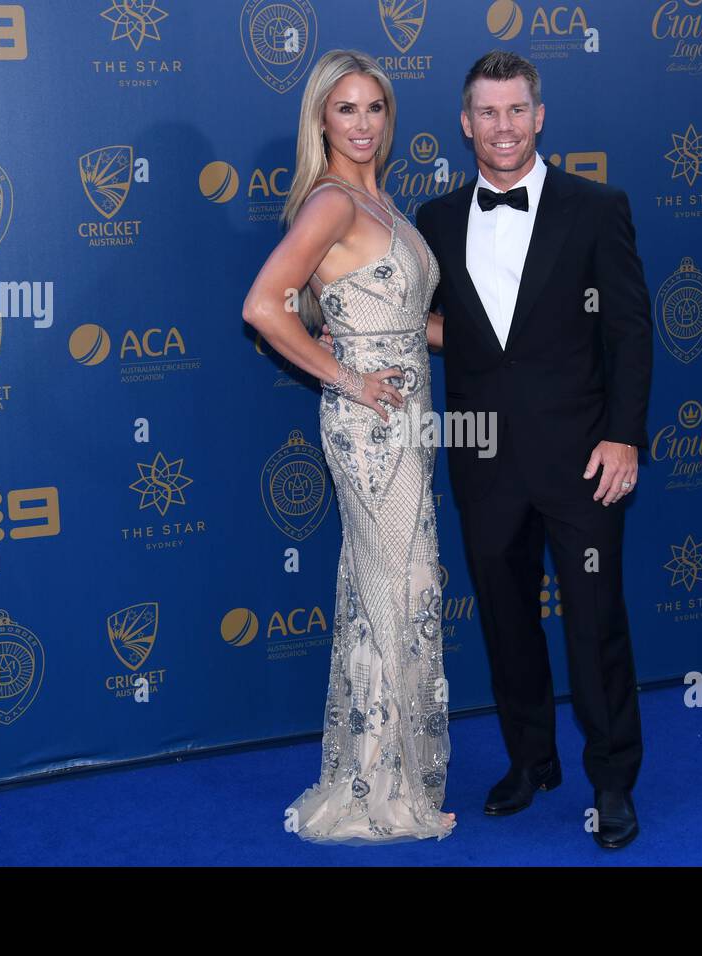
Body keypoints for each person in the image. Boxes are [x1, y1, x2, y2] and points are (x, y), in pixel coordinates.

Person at [414, 50, 653, 849]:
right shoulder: (437, 220)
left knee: (594, 623)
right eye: (487, 111)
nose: (503, 126)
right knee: (506, 621)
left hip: (584, 458)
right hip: (482, 459)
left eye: (516, 110)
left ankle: (612, 779)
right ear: (465, 122)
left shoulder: (596, 206)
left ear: (539, 117)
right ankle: (531, 760)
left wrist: (625, 436)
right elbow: (451, 328)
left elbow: (629, 330)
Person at [242, 50, 455, 845]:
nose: (362, 125)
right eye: (345, 110)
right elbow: (265, 305)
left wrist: (497, 343)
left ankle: (381, 777)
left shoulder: (383, 204)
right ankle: (381, 793)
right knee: (397, 587)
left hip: (411, 423)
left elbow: (403, 325)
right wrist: (347, 379)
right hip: (369, 429)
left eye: (374, 109)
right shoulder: (331, 203)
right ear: (321, 121)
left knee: (390, 591)